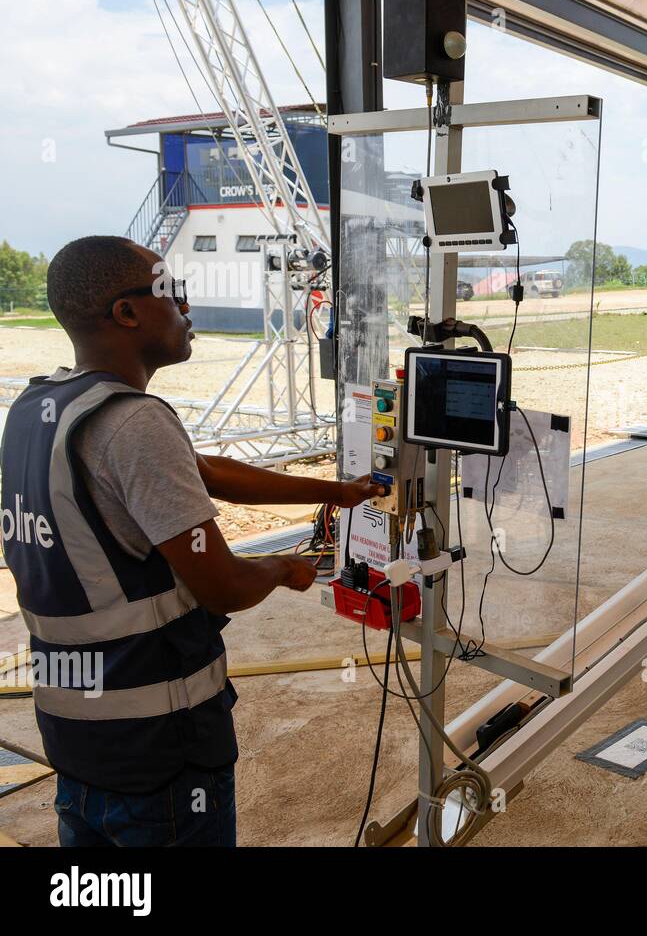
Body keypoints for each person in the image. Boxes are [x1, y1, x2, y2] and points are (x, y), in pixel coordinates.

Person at [0, 235, 383, 846]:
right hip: (160, 748)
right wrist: (285, 567)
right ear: (126, 313)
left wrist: (330, 492)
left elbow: (203, 472)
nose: (187, 310)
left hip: (77, 740)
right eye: (173, 294)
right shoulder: (135, 422)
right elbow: (222, 585)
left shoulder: (44, 409)